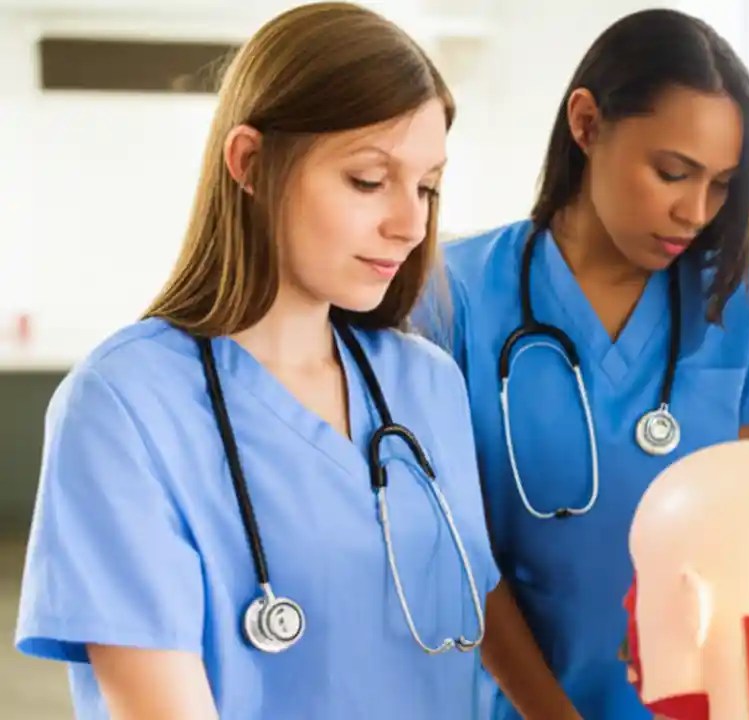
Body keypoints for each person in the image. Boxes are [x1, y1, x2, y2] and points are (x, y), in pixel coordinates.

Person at [13, 3, 498, 718]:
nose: (411, 222)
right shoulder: (123, 405)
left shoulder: (426, 385)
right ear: (250, 162)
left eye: (426, 186)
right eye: (368, 180)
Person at [413, 8, 749, 718]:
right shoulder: (453, 300)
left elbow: (734, 543)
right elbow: (453, 555)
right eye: (672, 172)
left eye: (722, 183)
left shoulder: (745, 296)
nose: (696, 211)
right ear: (587, 123)